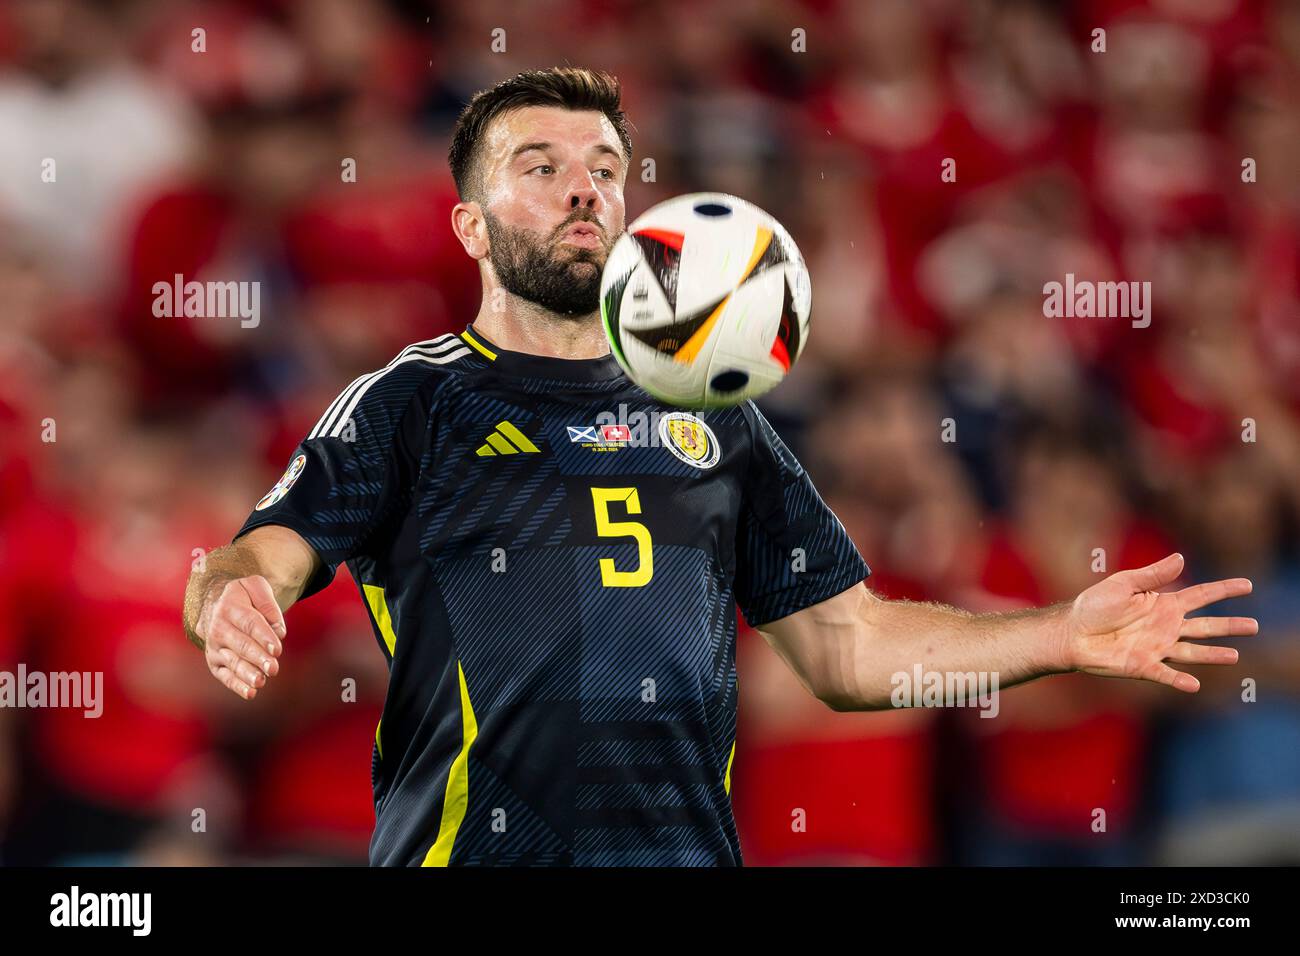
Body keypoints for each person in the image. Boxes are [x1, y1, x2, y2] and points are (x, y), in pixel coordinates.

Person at [181, 67, 1257, 867]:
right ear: (467, 223)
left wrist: (1057, 634)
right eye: (540, 167)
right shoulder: (409, 402)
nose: (582, 191)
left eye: (604, 168)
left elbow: (848, 647)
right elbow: (260, 552)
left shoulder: (715, 415)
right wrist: (235, 595)